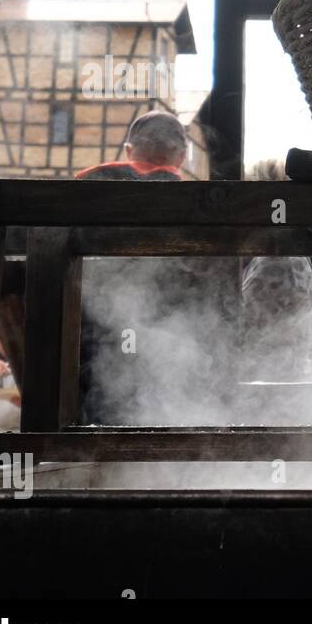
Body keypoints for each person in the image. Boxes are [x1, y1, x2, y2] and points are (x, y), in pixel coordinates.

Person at [76, 109, 235, 424]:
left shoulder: (84, 186)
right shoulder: (201, 201)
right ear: (181, 156)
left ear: (129, 150)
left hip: (90, 342)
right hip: (173, 346)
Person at [238, 159, 312, 382]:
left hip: (268, 385)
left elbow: (247, 328)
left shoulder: (276, 260)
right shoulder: (288, 253)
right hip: (282, 381)